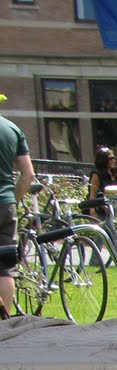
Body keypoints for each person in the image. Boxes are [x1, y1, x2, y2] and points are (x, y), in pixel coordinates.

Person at [0, 96, 33, 320]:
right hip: (6, 204)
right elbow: (28, 174)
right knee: (5, 269)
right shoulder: (12, 129)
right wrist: (15, 199)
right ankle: (4, 323)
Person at [82, 145, 117, 267]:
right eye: (111, 158)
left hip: (112, 208)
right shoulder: (97, 174)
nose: (113, 160)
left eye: (114, 158)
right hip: (101, 209)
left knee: (101, 236)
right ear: (103, 160)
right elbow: (92, 194)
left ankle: (94, 260)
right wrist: (92, 211)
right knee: (112, 233)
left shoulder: (114, 173)